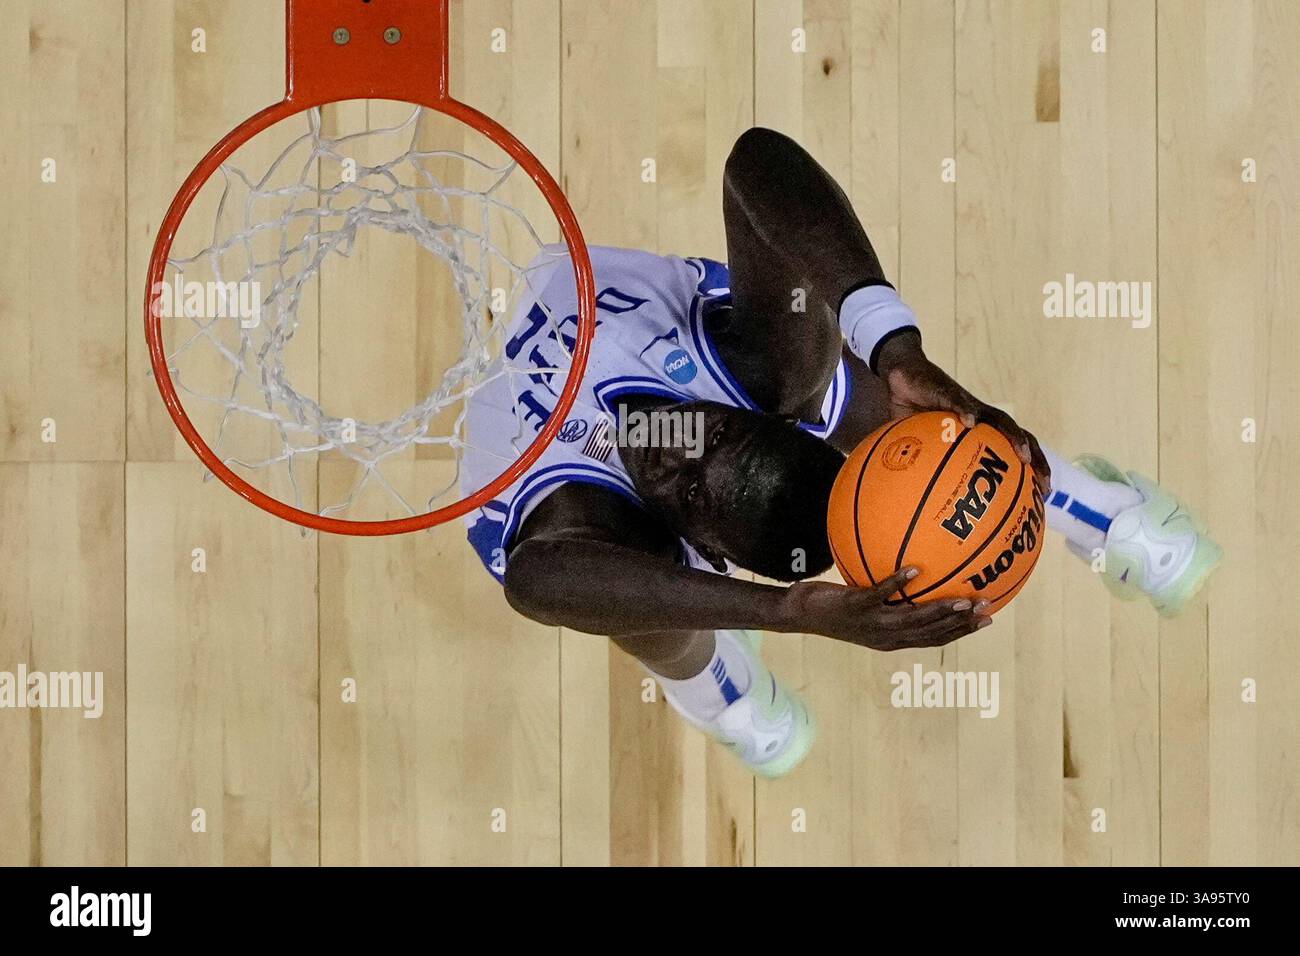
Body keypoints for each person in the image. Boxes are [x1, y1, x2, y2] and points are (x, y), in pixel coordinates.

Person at [460, 128, 1221, 778]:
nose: (671, 454)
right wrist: (894, 346)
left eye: (692, 491)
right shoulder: (758, 378)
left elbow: (533, 579)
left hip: (613, 479)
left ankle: (1079, 504)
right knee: (824, 398)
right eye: (713, 439)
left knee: (649, 593)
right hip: (737, 384)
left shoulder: (588, 509)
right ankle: (712, 685)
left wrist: (789, 610)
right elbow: (757, 158)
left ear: (703, 546)